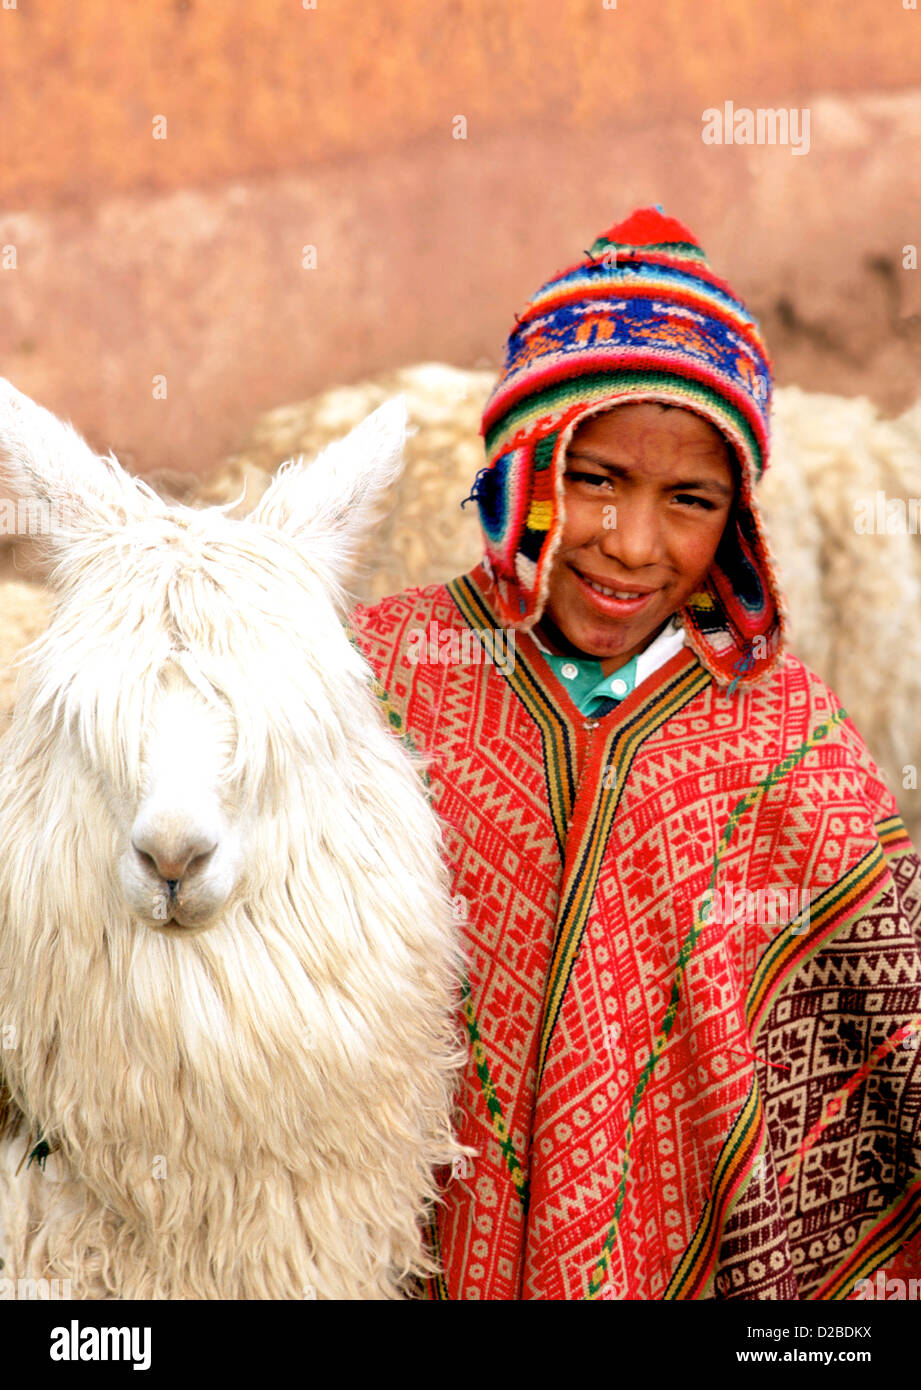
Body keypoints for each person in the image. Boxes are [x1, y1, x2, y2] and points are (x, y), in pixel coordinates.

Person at [348, 207, 921, 1300]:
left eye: (689, 500)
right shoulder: (387, 678)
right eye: (597, 478)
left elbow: (893, 1032)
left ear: (738, 519)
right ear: (525, 468)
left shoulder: (788, 747)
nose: (632, 542)